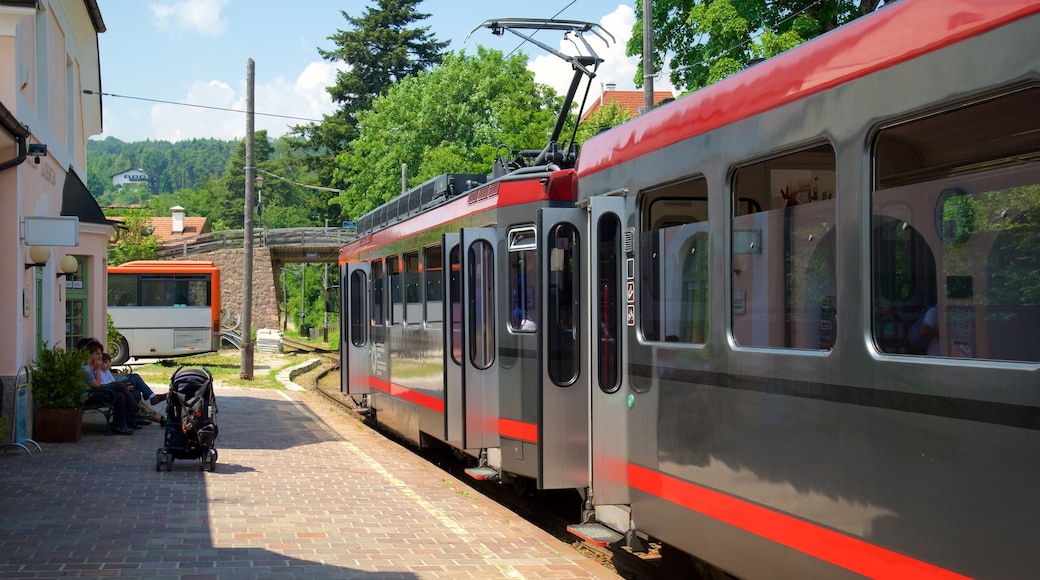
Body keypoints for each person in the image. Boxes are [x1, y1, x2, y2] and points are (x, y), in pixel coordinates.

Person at [80, 339, 137, 434]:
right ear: (90, 355)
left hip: (94, 392)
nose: (100, 356)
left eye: (100, 353)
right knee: (118, 385)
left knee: (120, 396)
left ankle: (118, 425)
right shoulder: (85, 369)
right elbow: (97, 385)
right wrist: (98, 369)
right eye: (97, 354)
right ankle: (136, 410)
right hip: (88, 396)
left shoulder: (90, 367)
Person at [98, 353, 165, 426]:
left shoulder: (106, 371)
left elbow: (113, 382)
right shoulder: (97, 372)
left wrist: (122, 381)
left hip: (115, 388)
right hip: (109, 392)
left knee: (135, 391)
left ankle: (138, 417)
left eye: (109, 362)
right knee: (133, 384)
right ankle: (141, 413)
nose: (108, 364)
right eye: (105, 362)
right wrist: (125, 388)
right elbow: (106, 386)